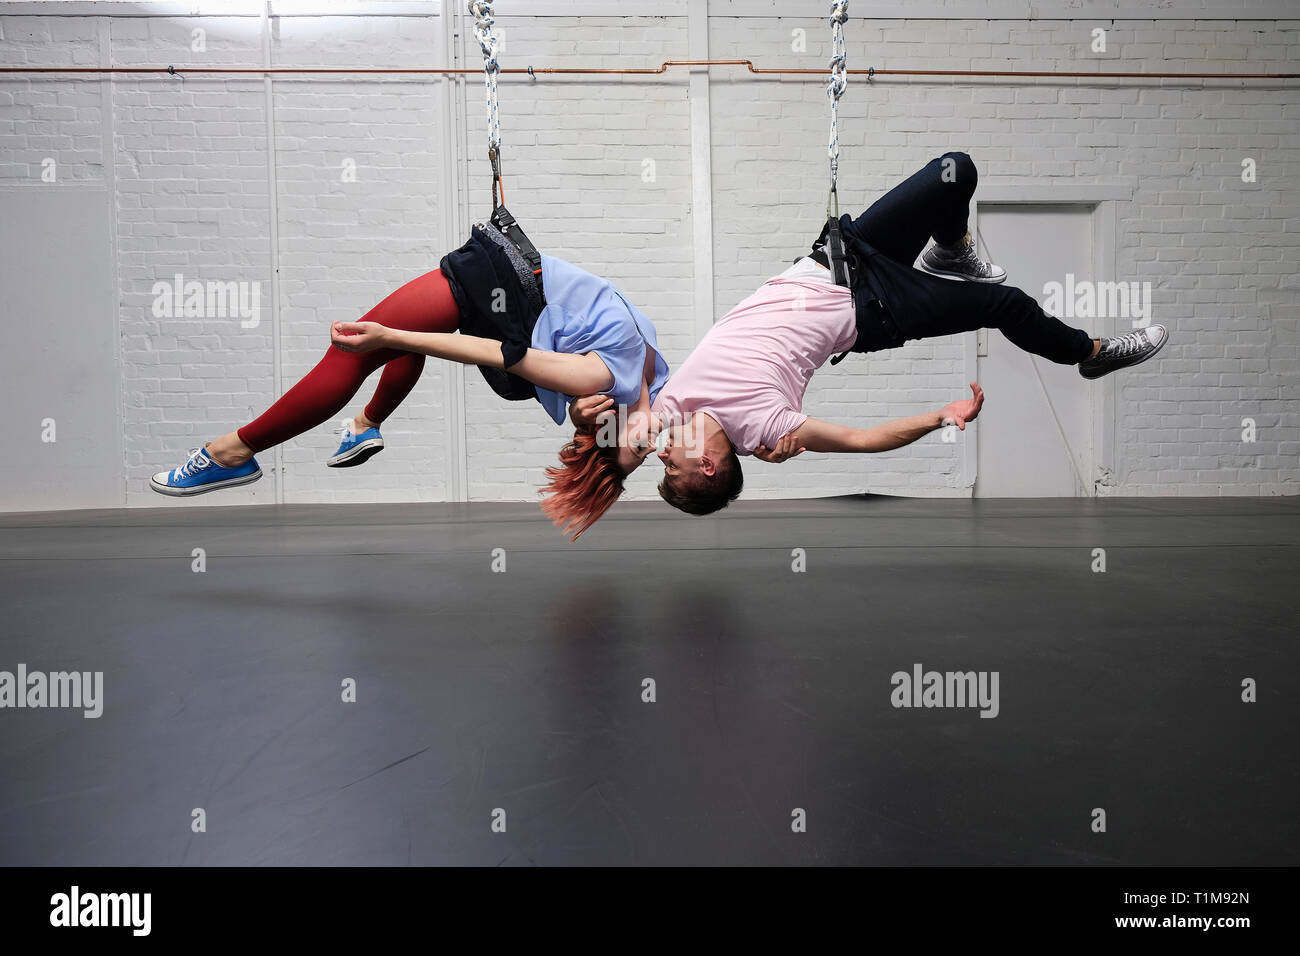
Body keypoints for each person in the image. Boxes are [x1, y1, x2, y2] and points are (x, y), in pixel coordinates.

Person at [643, 151, 1169, 515]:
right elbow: (862, 441)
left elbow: (611, 424)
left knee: (954, 173)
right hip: (875, 309)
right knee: (1005, 304)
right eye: (672, 470)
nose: (661, 456)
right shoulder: (768, 431)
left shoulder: (670, 404)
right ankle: (1091, 352)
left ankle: (950, 251)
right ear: (708, 466)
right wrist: (939, 416)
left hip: (837, 259)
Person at [150, 222, 668, 537]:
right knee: (392, 341)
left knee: (352, 352)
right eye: (644, 452)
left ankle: (233, 453)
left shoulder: (600, 375)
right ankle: (367, 422)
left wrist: (390, 335)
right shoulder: (655, 381)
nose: (650, 443)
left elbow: (491, 352)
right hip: (513, 291)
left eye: (633, 448)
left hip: (501, 288)